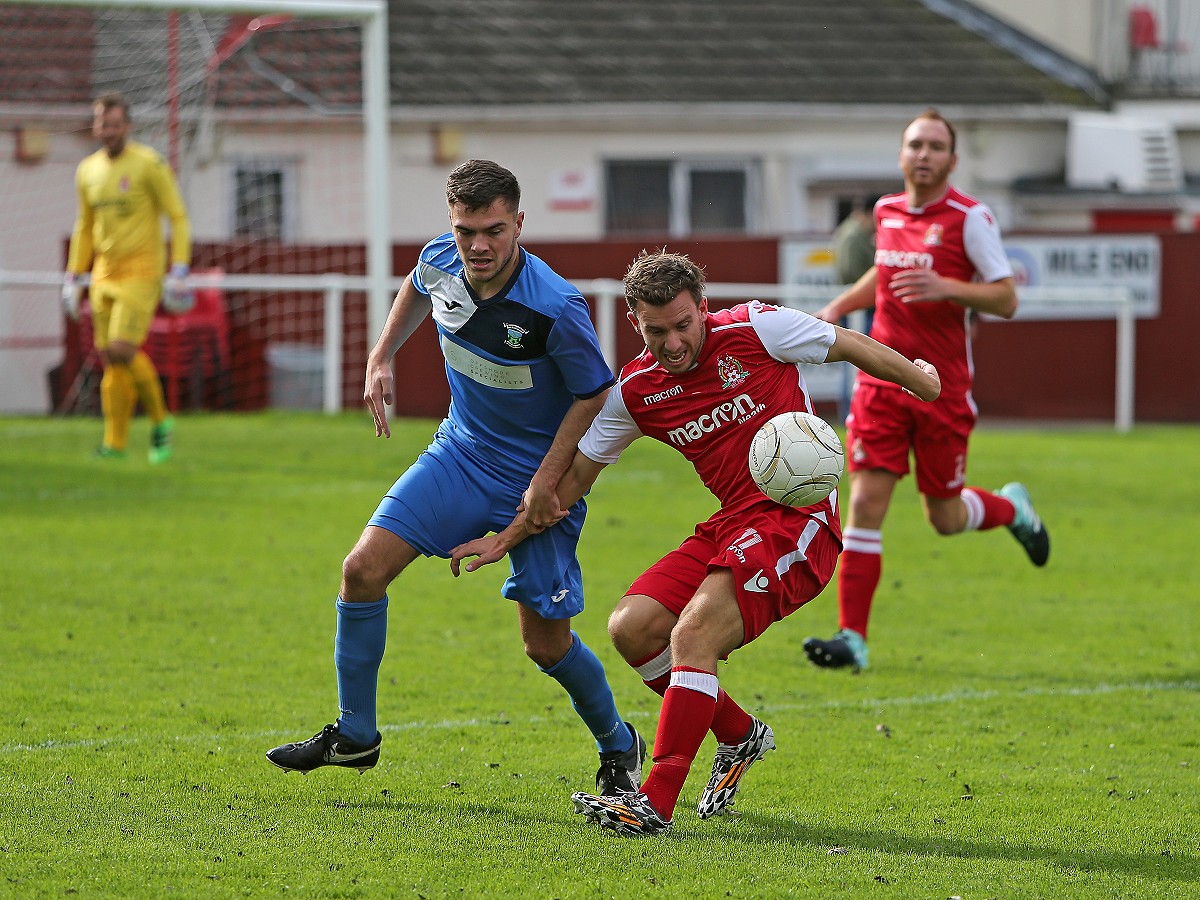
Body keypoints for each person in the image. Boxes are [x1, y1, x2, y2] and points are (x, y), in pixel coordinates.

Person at [449, 249, 941, 835]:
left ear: (703, 308)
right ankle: (739, 734)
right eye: (657, 331)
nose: (674, 343)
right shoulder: (636, 392)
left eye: (684, 324)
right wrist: (505, 538)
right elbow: (573, 481)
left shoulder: (757, 329)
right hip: (735, 522)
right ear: (635, 323)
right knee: (632, 628)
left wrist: (920, 380)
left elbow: (847, 344)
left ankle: (653, 802)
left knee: (693, 634)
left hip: (799, 523)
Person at [265, 159, 646, 796]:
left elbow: (594, 394)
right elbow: (416, 285)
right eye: (466, 230)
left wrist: (547, 483)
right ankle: (356, 734)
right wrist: (381, 355)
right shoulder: (440, 259)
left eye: (494, 230)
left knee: (545, 645)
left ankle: (619, 744)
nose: (479, 246)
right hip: (461, 456)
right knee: (361, 571)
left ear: (519, 223)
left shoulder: (555, 306)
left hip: (537, 480)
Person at [802, 108, 1050, 674]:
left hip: (942, 389)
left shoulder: (969, 218)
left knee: (944, 516)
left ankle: (1012, 509)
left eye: (936, 146)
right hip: (881, 379)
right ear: (901, 154)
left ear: (952, 160)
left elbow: (1006, 298)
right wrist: (840, 306)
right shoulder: (886, 211)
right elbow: (884, 274)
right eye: (915, 144)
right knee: (864, 502)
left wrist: (947, 287)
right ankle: (852, 638)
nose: (924, 154)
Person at [62, 92, 191, 463]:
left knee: (121, 349)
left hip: (142, 272)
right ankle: (114, 443)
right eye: (104, 124)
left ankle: (161, 420)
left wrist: (179, 268)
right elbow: (85, 225)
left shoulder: (149, 164)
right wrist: (73, 276)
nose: (109, 131)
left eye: (116, 124)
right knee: (109, 358)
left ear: (128, 126)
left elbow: (177, 216)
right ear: (95, 126)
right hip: (103, 273)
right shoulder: (87, 170)